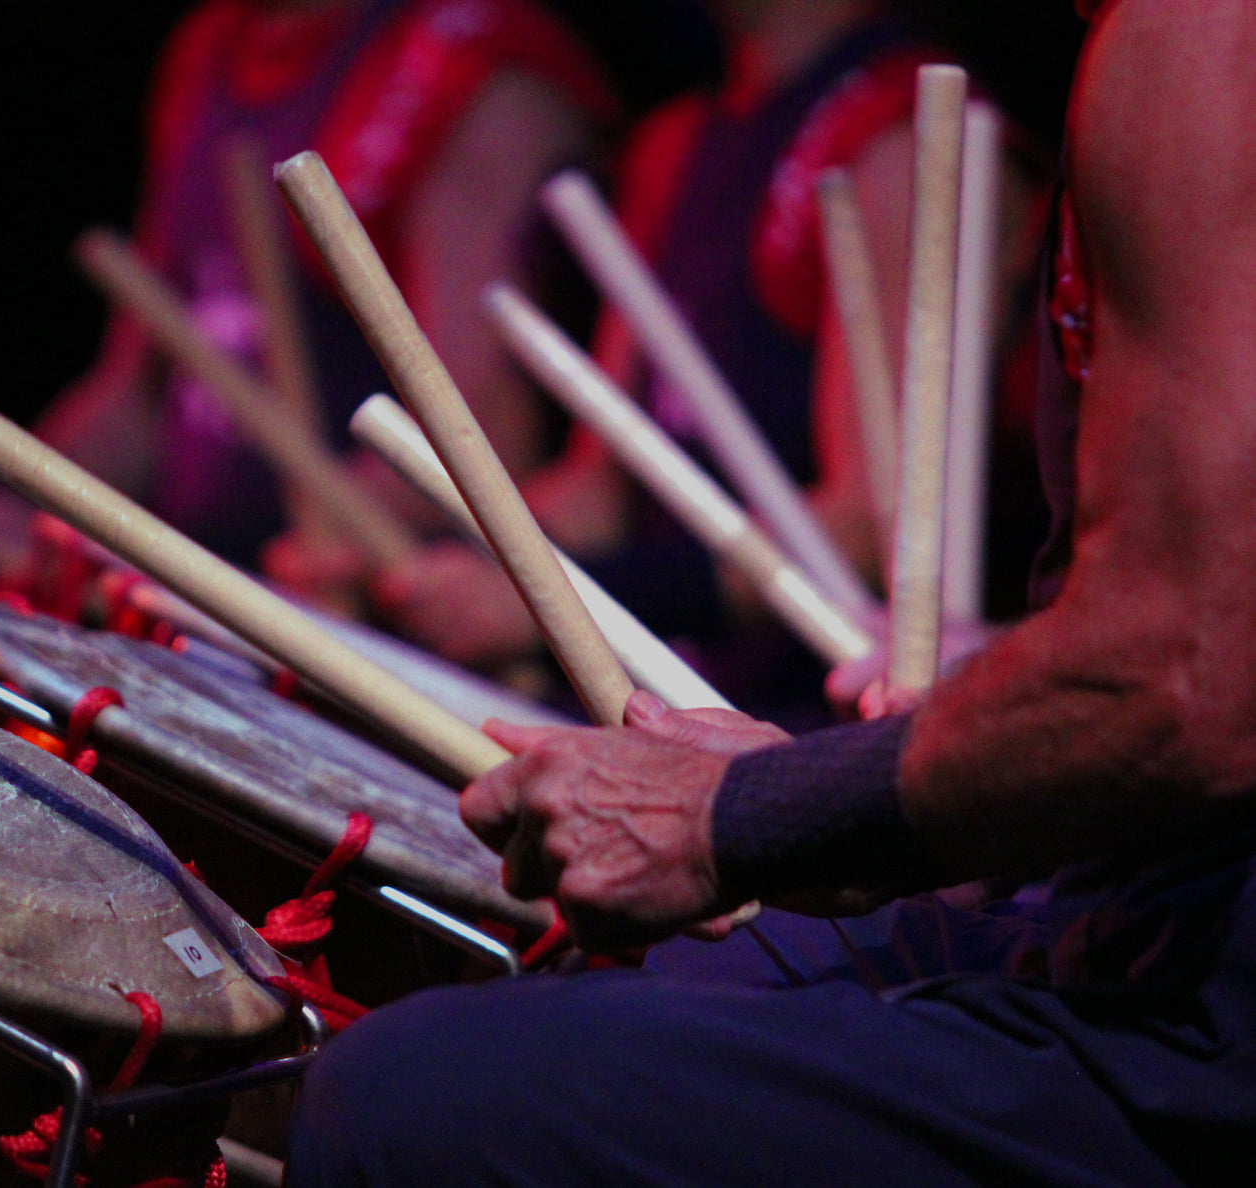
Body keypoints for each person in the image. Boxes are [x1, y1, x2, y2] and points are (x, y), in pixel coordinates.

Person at [283, 0, 1256, 1182]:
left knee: (407, 1095)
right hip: (1129, 897)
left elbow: (1183, 675)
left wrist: (740, 812)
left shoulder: (1193, 42)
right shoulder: (685, 143)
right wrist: (1012, 682)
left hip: (1198, 999)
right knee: (644, 970)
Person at [364, 0, 1044, 722]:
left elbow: (874, 529)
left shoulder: (901, 136)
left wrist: (563, 602)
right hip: (650, 706)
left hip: (805, 732)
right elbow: (603, 490)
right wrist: (444, 565)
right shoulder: (676, 142)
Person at [33, 0, 618, 568]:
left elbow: (477, 440)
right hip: (209, 571)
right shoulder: (214, 44)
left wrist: (267, 557)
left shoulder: (474, 60)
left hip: (351, 606)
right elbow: (138, 396)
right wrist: (25, 495)